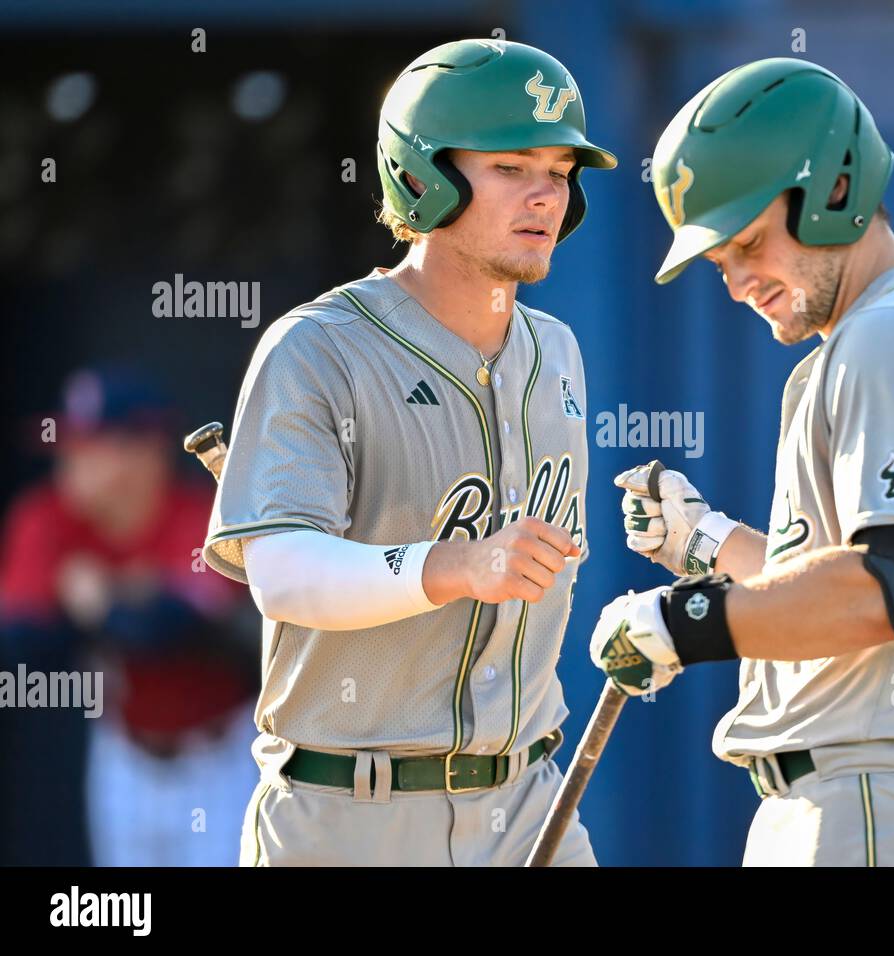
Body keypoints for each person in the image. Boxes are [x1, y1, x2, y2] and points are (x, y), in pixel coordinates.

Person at [589, 58, 894, 867]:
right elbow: (843, 590)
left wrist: (679, 622)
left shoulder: (892, 337)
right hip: (878, 798)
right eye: (721, 260)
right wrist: (710, 546)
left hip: (881, 804)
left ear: (834, 189)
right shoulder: (872, 340)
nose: (737, 282)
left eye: (748, 242)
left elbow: (891, 590)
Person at [201, 39, 615, 866]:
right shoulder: (319, 348)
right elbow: (280, 576)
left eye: (561, 171)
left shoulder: (558, 352)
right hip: (352, 812)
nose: (546, 195)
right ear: (426, 177)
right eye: (511, 166)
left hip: (531, 804)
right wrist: (456, 566)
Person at [0, 365, 258, 866]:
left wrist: (100, 596)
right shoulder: (47, 518)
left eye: (89, 445)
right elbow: (20, 643)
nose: (68, 459)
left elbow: (167, 629)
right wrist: (110, 599)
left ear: (146, 453)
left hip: (219, 754)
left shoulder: (204, 516)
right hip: (125, 753)